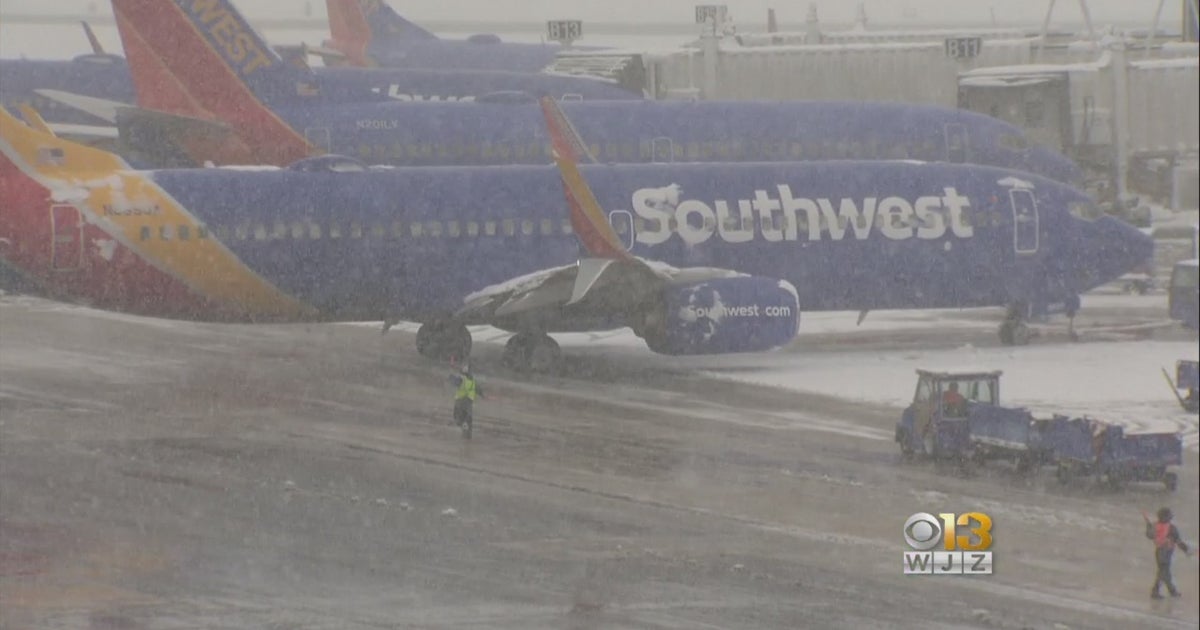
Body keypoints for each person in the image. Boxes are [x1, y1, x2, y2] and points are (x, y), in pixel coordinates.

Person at [1145, 507, 1194, 599]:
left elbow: (1149, 535)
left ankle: (1171, 590)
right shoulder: (1171, 528)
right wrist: (1186, 550)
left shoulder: (1155, 525)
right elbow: (1178, 541)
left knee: (1164, 572)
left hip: (1159, 552)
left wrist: (1148, 525)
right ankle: (1158, 591)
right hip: (1166, 552)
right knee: (1164, 572)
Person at [451, 364, 482, 438]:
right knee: (468, 418)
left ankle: (463, 425)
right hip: (469, 402)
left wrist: (451, 376)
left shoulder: (461, 379)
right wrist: (483, 395)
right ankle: (467, 433)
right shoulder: (473, 381)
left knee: (457, 417)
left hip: (460, 402)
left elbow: (454, 383)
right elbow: (478, 389)